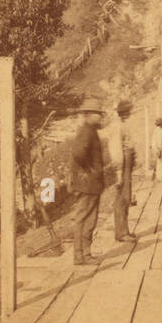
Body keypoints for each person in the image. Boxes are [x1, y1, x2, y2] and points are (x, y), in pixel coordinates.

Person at [69, 98, 106, 267]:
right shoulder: (87, 131)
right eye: (98, 114)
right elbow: (78, 153)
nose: (100, 117)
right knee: (85, 219)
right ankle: (82, 255)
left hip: (89, 183)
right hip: (88, 184)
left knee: (87, 219)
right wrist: (90, 170)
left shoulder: (89, 130)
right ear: (89, 115)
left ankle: (84, 254)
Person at [111, 100, 138, 243]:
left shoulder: (123, 125)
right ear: (123, 113)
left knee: (126, 197)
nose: (130, 113)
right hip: (123, 164)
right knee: (122, 198)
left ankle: (124, 230)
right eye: (128, 111)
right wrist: (119, 172)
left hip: (127, 162)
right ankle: (121, 233)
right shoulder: (118, 127)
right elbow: (117, 151)